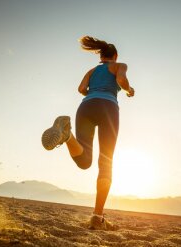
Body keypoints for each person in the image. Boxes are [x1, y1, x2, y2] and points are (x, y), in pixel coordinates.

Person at [41, 36, 134, 230]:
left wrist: (92, 93)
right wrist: (128, 90)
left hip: (86, 107)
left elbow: (82, 89)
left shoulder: (92, 71)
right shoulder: (119, 65)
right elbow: (121, 80)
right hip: (108, 107)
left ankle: (67, 136)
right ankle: (97, 216)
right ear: (115, 56)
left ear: (100, 56)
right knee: (105, 162)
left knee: (84, 161)